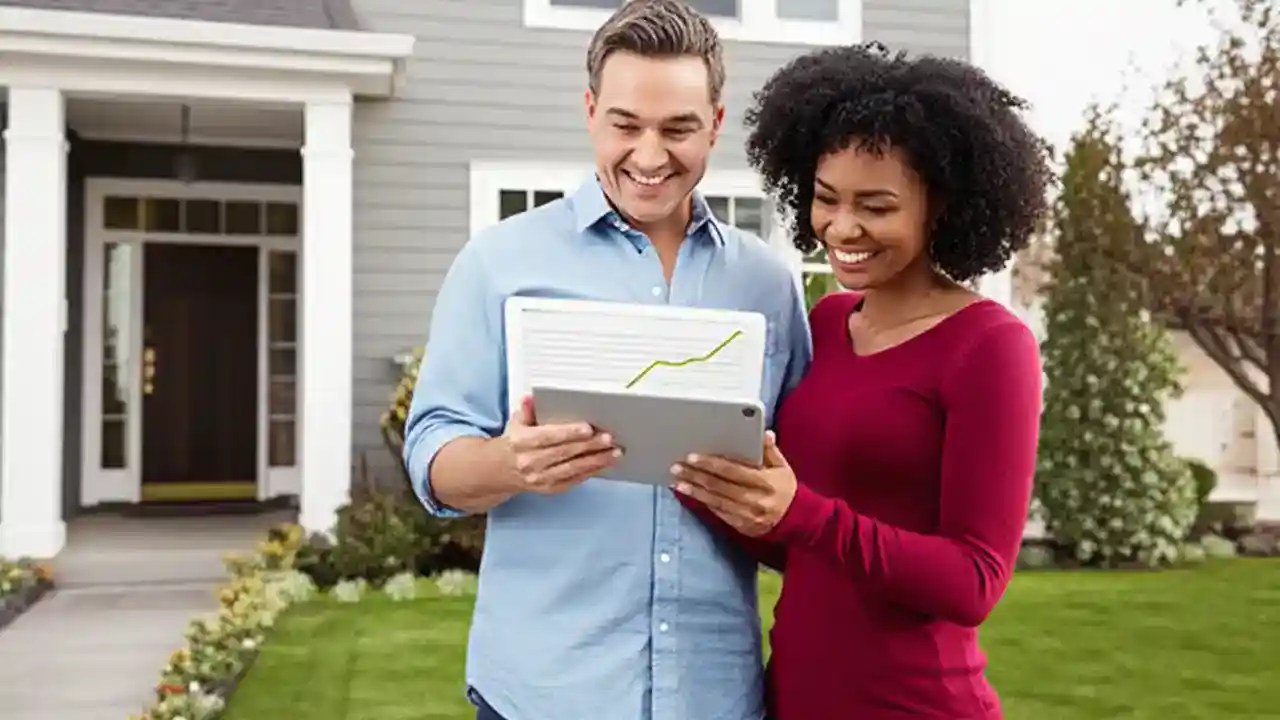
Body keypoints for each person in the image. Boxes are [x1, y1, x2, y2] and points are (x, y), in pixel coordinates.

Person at [400, 1, 811, 719]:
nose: (649, 157)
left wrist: (775, 503)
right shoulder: (499, 263)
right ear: (591, 111)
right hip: (544, 692)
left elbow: (804, 493)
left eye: (678, 129)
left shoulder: (768, 285)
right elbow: (432, 460)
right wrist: (509, 464)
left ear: (715, 123)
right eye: (625, 125)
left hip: (715, 695)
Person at [670, 42, 1052, 719]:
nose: (841, 228)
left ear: (942, 206)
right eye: (825, 199)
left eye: (875, 206)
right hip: (794, 698)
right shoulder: (828, 320)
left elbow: (974, 581)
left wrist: (803, 514)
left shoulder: (991, 347)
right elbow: (810, 550)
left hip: (917, 704)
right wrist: (696, 474)